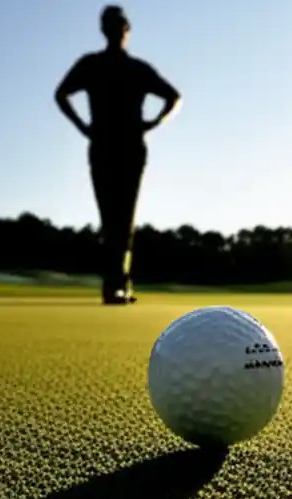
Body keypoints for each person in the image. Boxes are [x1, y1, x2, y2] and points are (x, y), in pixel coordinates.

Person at [55, 5, 181, 304]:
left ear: (125, 29)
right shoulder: (95, 64)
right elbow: (61, 94)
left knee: (120, 216)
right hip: (107, 144)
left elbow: (173, 96)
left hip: (124, 146)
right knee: (115, 217)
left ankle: (118, 281)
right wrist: (83, 127)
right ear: (112, 29)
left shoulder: (133, 68)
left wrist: (153, 122)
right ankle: (116, 282)